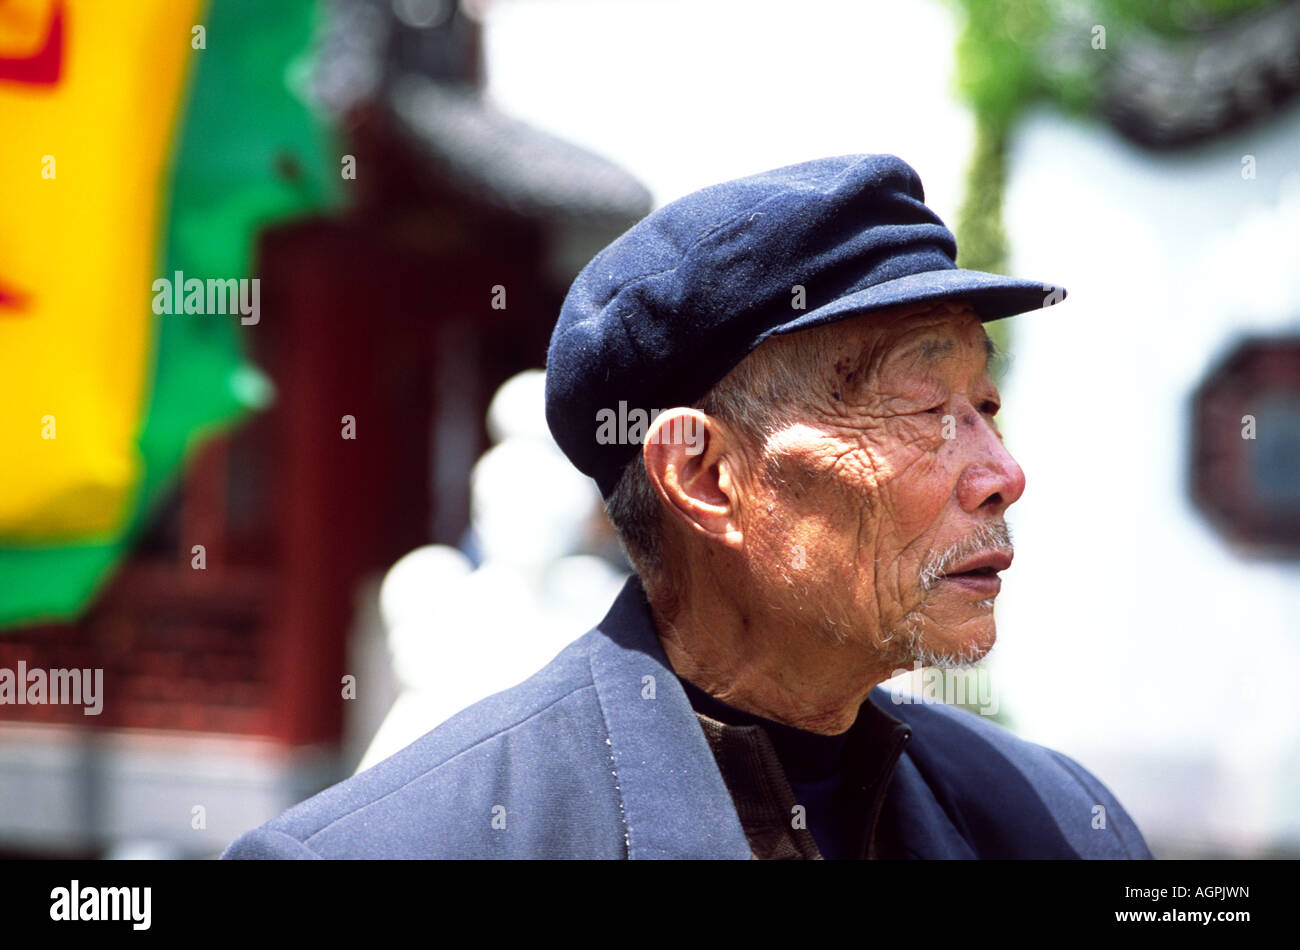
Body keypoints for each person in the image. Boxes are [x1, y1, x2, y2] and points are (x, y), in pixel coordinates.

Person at [223, 154, 1153, 859]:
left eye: (984, 408)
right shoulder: (396, 847)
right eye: (922, 410)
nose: (1002, 473)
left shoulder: (1064, 824)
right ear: (706, 478)